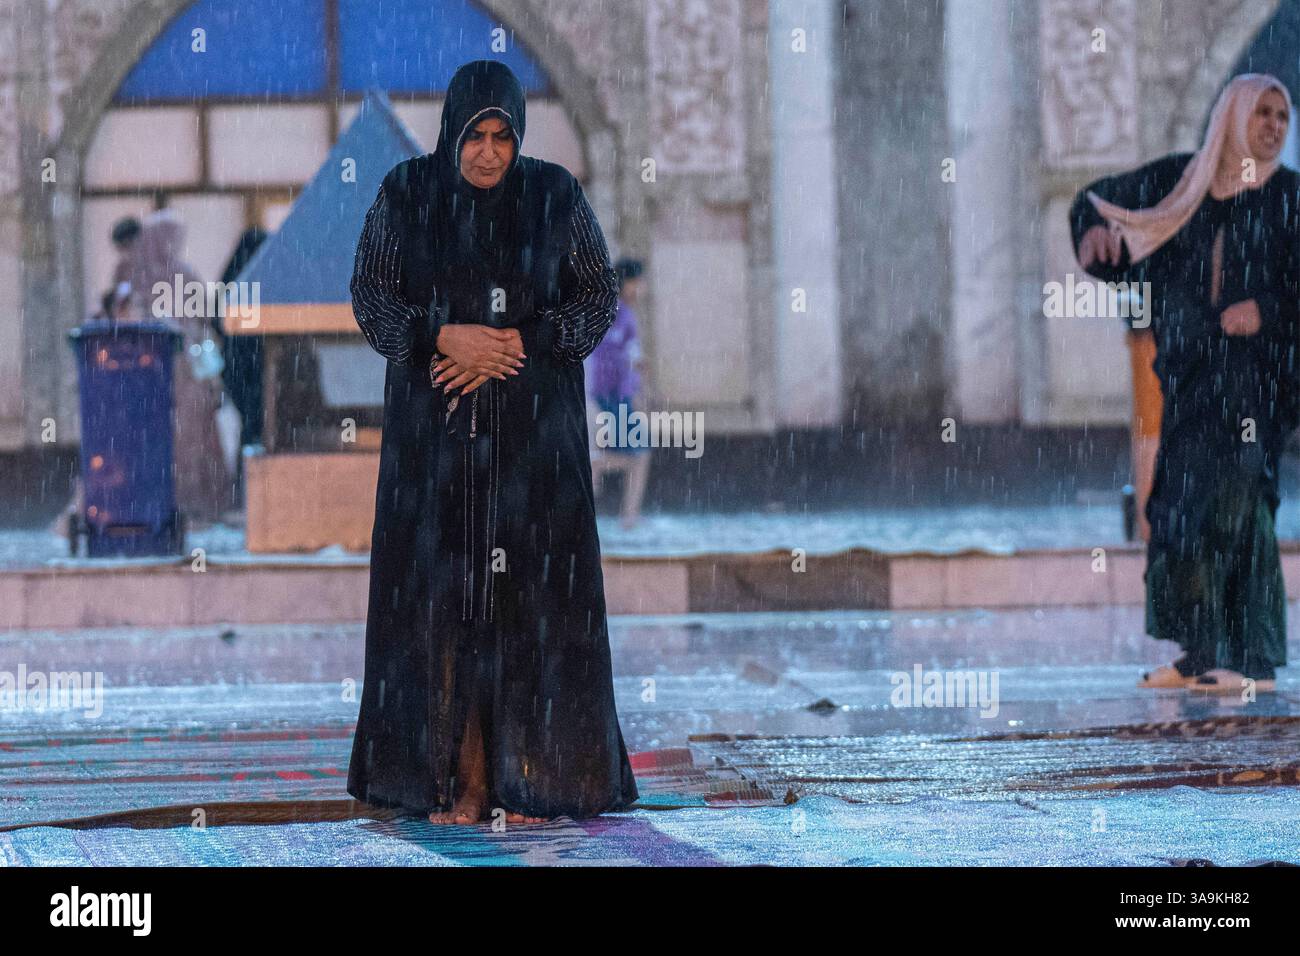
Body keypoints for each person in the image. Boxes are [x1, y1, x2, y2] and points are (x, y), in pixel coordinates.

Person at [345, 60, 639, 825]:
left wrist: (518, 344)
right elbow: (371, 295)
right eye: (473, 136)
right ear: (450, 133)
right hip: (433, 450)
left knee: (534, 605)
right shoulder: (406, 193)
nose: (486, 153)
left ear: (519, 136)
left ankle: (541, 782)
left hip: (533, 451)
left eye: (501, 136)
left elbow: (597, 292)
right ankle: (456, 783)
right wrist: (440, 336)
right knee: (443, 613)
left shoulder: (553, 195)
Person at [1070, 73, 1300, 694]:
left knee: (1240, 506)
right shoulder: (1184, 183)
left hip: (1256, 384)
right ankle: (1199, 651)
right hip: (1193, 379)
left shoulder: (1290, 199)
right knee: (1180, 511)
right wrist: (1093, 234)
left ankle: (1251, 660)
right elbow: (1098, 204)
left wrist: (1267, 311)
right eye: (1263, 114)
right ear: (1231, 118)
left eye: (1283, 115)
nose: (1275, 126)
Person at [120, 209, 233, 525]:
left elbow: (204, 321)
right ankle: (172, 503)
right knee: (171, 440)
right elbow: (135, 322)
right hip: (156, 373)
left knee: (197, 437)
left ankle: (201, 503)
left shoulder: (181, 274)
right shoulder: (139, 277)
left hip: (188, 373)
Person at [586, 257, 651, 528]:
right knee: (637, 456)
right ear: (626, 283)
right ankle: (629, 519)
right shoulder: (616, 314)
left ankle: (628, 518)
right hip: (609, 396)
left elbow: (629, 356)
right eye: (638, 282)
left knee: (637, 455)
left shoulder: (614, 312)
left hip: (610, 395)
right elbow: (619, 357)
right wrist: (638, 388)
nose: (642, 289)